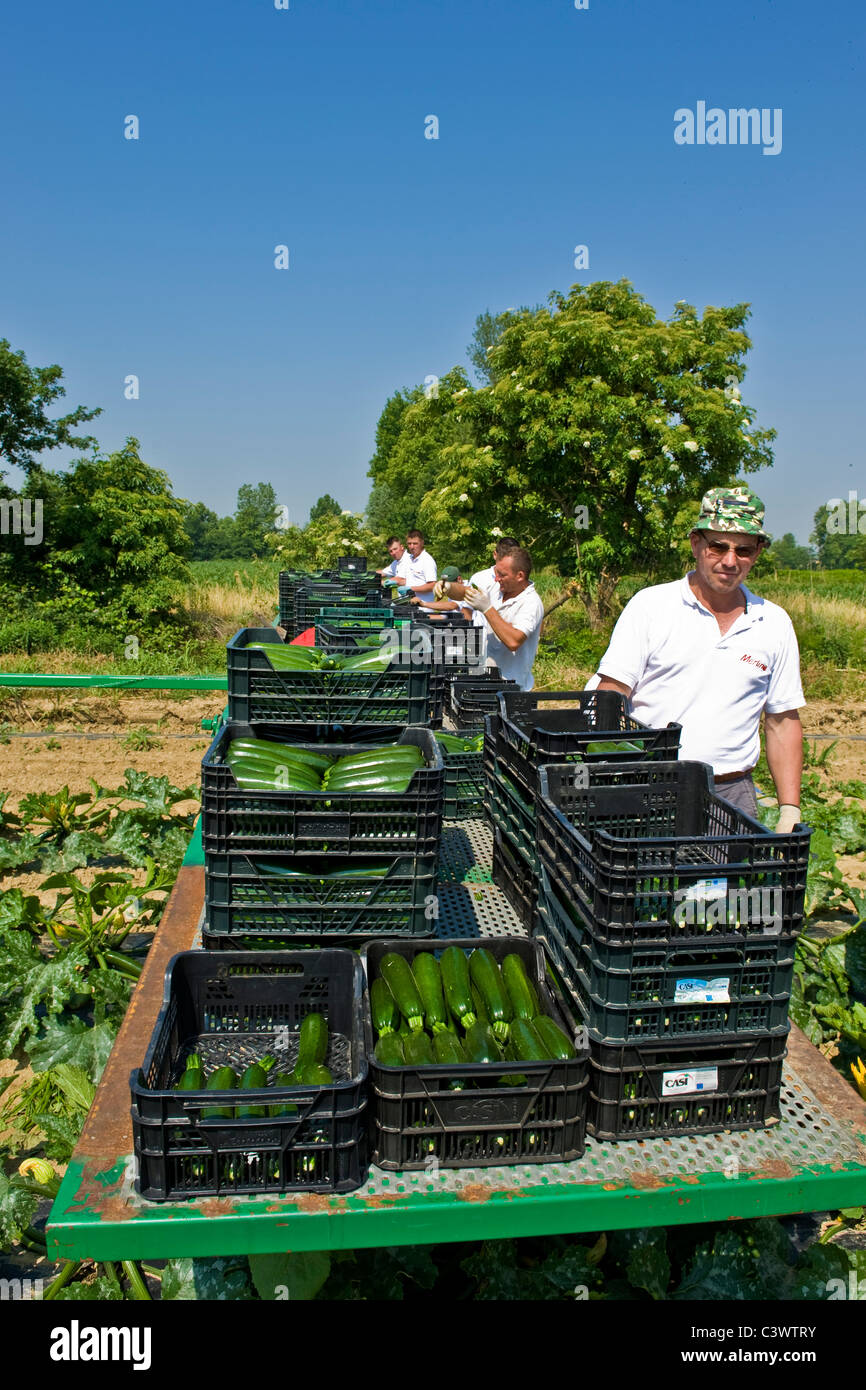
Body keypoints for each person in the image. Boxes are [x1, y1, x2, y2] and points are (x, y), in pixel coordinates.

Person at [585, 487, 804, 830]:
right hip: (650, 784)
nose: (730, 561)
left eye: (743, 550)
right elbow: (611, 694)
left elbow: (782, 719)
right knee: (645, 882)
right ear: (696, 544)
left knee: (724, 884)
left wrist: (790, 807)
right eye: (718, 546)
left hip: (732, 793)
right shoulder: (652, 607)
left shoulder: (773, 623)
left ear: (758, 552)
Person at [461, 545, 545, 691]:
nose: (497, 579)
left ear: (520, 576)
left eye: (502, 575)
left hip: (510, 687)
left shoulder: (531, 602)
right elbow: (467, 592)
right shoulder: (498, 589)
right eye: (497, 573)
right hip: (485, 678)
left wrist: (487, 609)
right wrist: (447, 587)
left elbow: (514, 641)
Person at [394, 528, 438, 607]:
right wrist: (393, 582)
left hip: (423, 608)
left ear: (422, 543)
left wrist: (411, 589)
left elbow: (432, 585)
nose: (412, 546)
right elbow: (408, 580)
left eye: (415, 543)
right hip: (409, 606)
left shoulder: (427, 560)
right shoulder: (409, 559)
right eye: (409, 543)